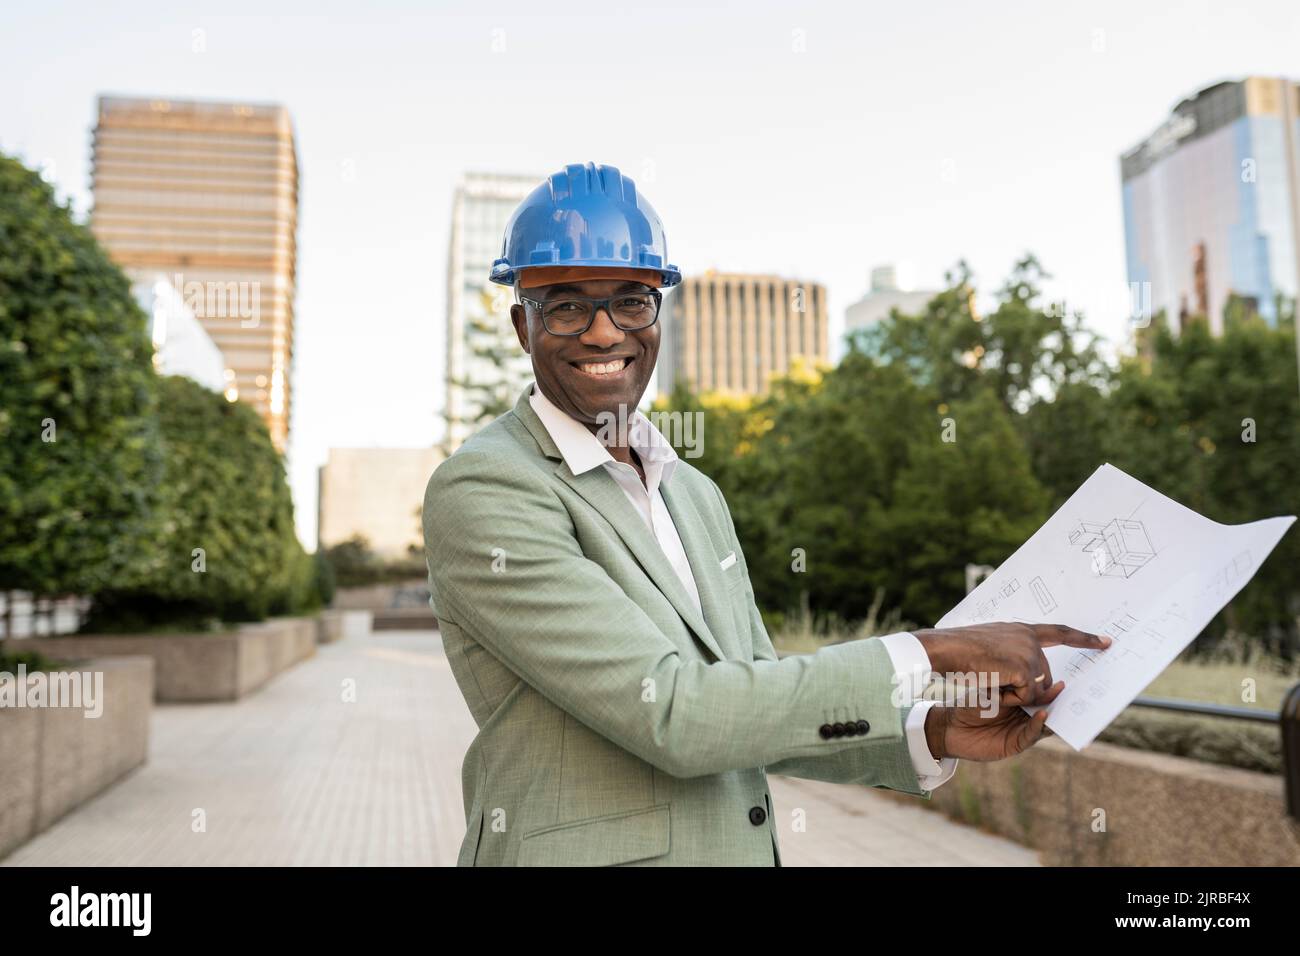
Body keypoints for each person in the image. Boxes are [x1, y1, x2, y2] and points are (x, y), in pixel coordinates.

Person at [422, 162, 1109, 866]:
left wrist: (931, 730)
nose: (604, 333)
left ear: (658, 312)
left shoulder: (692, 493)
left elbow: (751, 700)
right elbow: (678, 714)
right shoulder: (487, 489)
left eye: (631, 301)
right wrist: (927, 652)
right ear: (521, 324)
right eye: (566, 306)